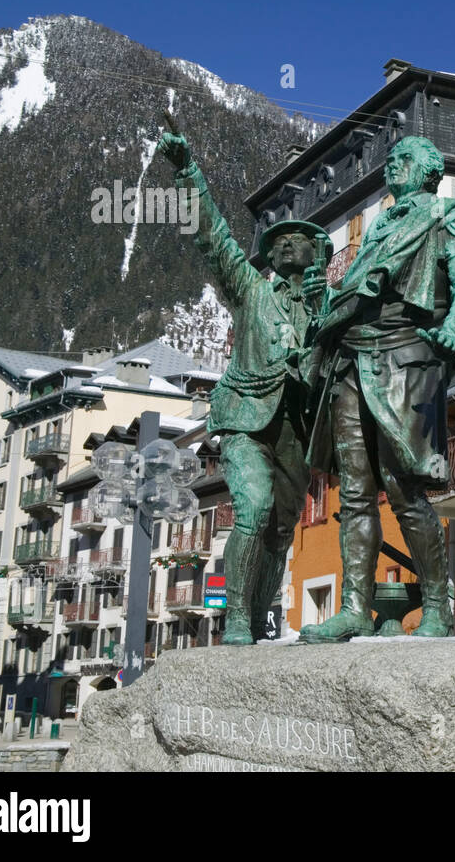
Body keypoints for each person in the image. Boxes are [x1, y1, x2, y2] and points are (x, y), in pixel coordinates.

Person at [300, 135, 455, 641]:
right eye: (388, 162)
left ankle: (436, 605)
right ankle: (352, 609)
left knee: (404, 488)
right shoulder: (379, 231)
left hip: (405, 357)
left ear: (429, 170)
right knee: (357, 493)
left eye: (401, 160)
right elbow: (351, 302)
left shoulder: (446, 215)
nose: (391, 168)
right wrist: (326, 301)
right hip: (350, 361)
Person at [157, 131, 331, 645]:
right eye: (278, 240)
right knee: (253, 511)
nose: (285, 243)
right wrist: (188, 171)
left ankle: (258, 618)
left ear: (315, 252)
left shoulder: (328, 304)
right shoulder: (251, 290)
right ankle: (235, 615)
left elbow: (336, 369)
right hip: (245, 417)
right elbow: (211, 235)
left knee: (280, 533)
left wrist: (324, 316)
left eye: (297, 238)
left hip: (296, 430)